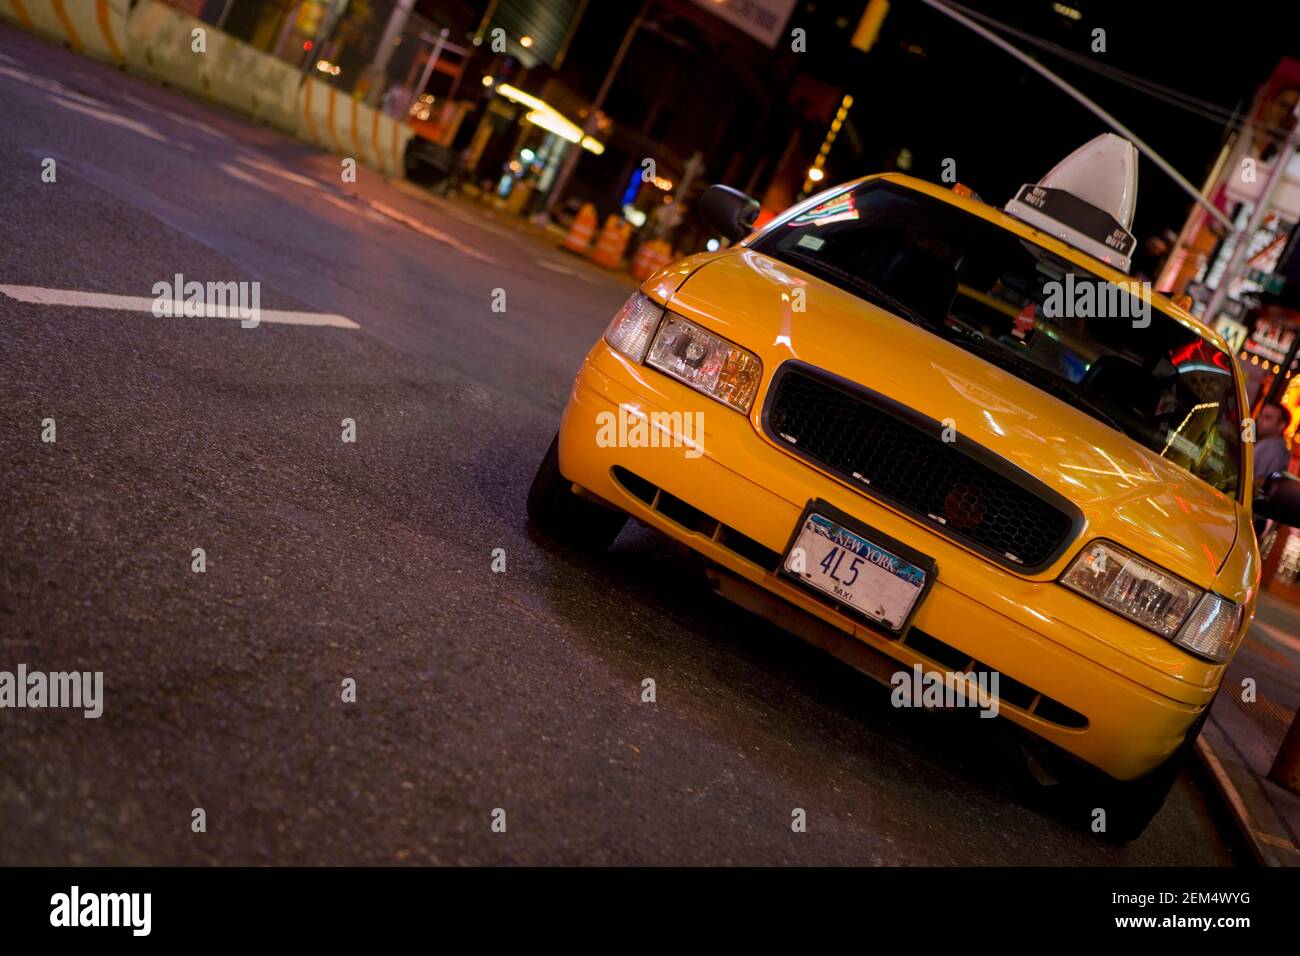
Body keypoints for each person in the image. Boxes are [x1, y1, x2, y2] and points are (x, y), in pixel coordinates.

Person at [1254, 401, 1295, 487]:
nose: (1260, 420)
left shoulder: (1276, 450)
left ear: (1281, 426)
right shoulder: (1266, 442)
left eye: (1267, 418)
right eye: (1260, 415)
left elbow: (1263, 484)